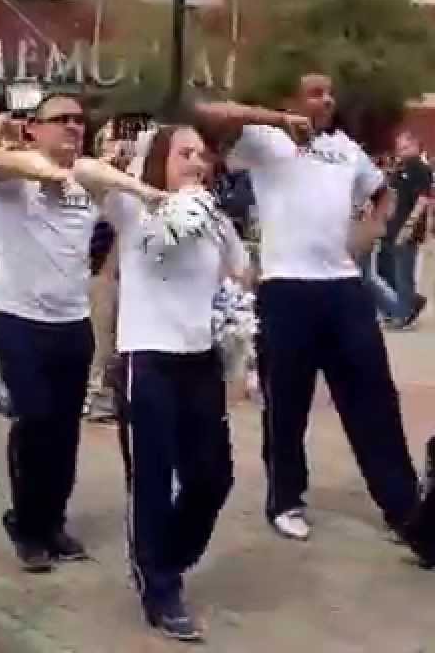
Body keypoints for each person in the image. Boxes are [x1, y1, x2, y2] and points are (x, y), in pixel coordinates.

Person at [194, 72, 420, 543]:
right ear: (292, 99)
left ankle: (403, 506)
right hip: (286, 289)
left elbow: (382, 192)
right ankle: (286, 499)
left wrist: (369, 233)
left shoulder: (345, 149)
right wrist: (279, 119)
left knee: (374, 397)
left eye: (330, 92)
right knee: (287, 401)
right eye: (315, 93)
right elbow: (207, 113)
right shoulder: (265, 142)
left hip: (343, 287)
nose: (327, 99)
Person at [0, 100, 167, 572]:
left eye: (79, 121)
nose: (74, 127)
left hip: (72, 320)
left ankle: (52, 521)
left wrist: (151, 195)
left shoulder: (90, 178)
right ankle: (25, 524)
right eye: (61, 120)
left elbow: (118, 196)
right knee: (35, 418)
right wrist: (18, 147)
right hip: (18, 317)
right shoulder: (14, 175)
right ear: (34, 129)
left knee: (64, 429)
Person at [107, 126, 245, 641]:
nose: (196, 162)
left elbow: (241, 271)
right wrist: (148, 192)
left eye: (201, 154)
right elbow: (83, 171)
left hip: (200, 361)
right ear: (159, 159)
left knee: (213, 477)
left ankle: (167, 558)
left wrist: (235, 325)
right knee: (151, 480)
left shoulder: (213, 218)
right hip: (148, 360)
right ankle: (160, 589)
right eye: (183, 153)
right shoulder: (132, 210)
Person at [377, 130, 430, 328]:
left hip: (407, 229)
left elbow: (423, 200)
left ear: (416, 145)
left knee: (403, 273)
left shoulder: (420, 168)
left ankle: (405, 313)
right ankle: (407, 303)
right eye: (399, 147)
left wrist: (408, 227)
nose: (401, 151)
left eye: (405, 147)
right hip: (391, 227)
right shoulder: (400, 168)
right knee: (387, 271)